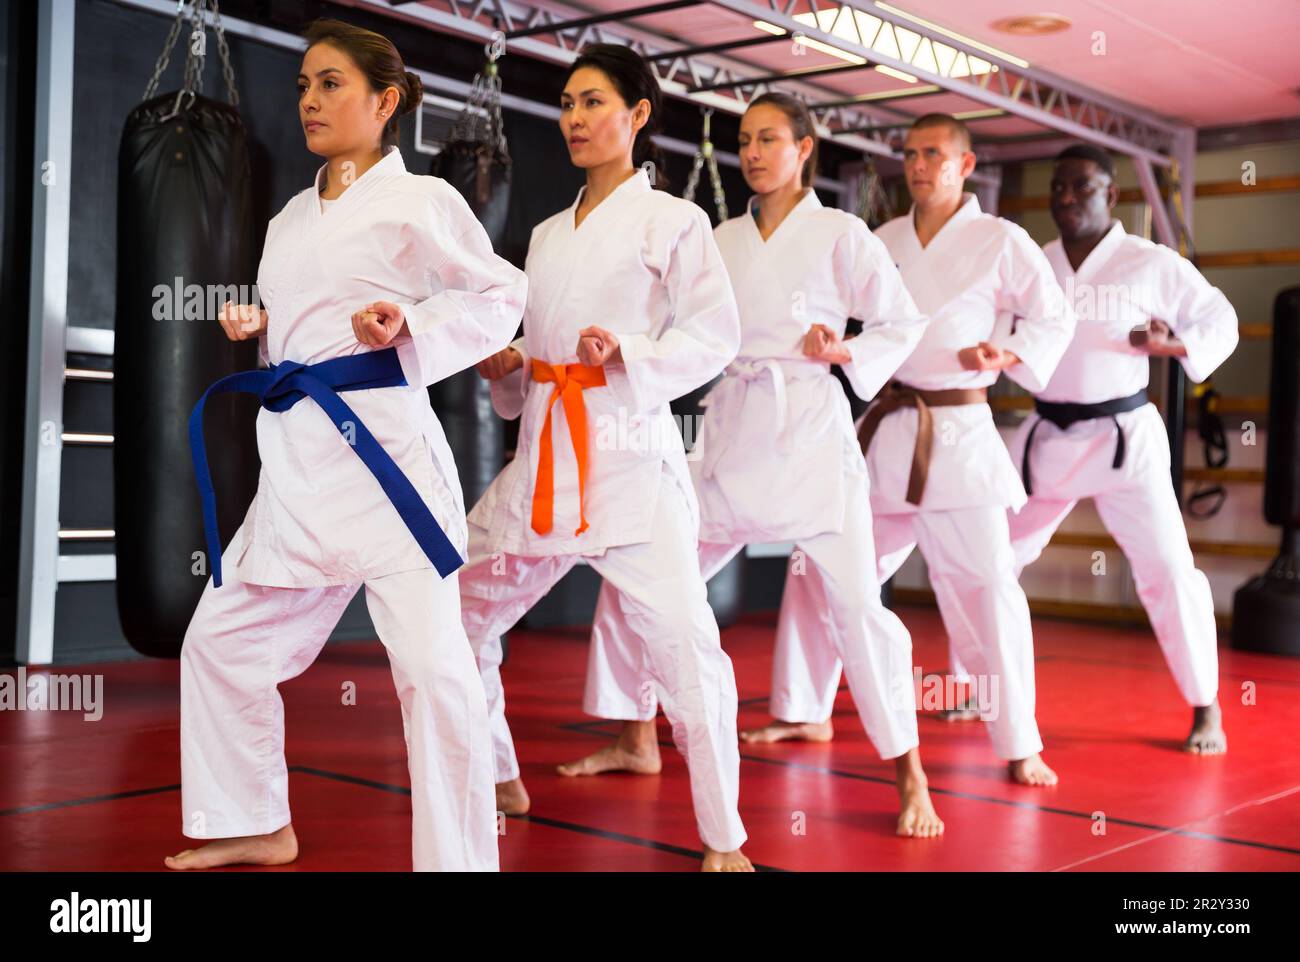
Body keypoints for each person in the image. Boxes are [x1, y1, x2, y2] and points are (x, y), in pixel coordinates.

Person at [166, 18, 526, 872]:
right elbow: (299, 330)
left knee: (436, 677)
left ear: (386, 101)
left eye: (331, 83)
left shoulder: (423, 200)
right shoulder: (291, 216)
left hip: (385, 464)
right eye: (302, 86)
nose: (311, 101)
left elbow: (500, 297)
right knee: (221, 643)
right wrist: (259, 330)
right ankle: (256, 820)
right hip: (297, 468)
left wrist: (411, 323)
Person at [568, 92, 945, 837]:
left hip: (808, 428)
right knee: (639, 580)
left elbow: (903, 320)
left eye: (770, 138)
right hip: (732, 427)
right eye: (745, 140)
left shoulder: (841, 233)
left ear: (806, 147)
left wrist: (846, 351)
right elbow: (677, 324)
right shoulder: (717, 235)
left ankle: (912, 775)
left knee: (858, 610)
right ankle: (636, 734)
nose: (754, 151)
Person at [459, 44, 752, 871]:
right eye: (567, 104)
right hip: (543, 461)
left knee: (686, 650)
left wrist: (627, 349)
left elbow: (713, 336)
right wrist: (512, 362)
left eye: (594, 102)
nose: (577, 119)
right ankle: (500, 776)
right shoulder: (549, 234)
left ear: (638, 115)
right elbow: (542, 342)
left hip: (628, 462)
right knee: (456, 615)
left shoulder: (675, 221)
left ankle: (724, 838)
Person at [772, 113, 1076, 786]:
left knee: (990, 585)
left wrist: (1012, 350)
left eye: (932, 154)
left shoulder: (1001, 240)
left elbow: (1056, 315)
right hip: (888, 428)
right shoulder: (879, 239)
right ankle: (803, 707)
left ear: (965, 166)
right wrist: (827, 337)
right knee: (819, 564)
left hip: (960, 430)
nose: (917, 164)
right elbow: (841, 313)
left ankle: (1021, 740)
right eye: (909, 153)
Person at [1007, 143, 1236, 753]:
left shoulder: (1148, 261)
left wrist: (1175, 344)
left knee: (1166, 568)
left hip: (1124, 441)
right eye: (1057, 186)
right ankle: (984, 687)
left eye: (1081, 186)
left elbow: (1220, 319)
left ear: (1112, 195)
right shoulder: (1035, 263)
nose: (1065, 197)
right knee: (988, 559)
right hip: (1047, 438)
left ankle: (1205, 704)